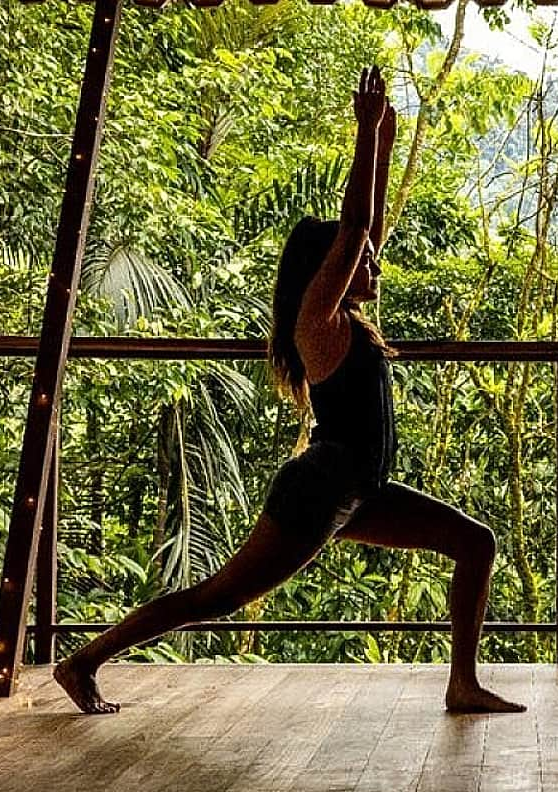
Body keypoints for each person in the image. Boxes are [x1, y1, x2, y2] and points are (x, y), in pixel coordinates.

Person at [54, 67, 525, 715]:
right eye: (360, 260)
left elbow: (367, 229)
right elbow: (357, 228)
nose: (374, 265)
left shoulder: (347, 319)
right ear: (326, 270)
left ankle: (462, 682)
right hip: (320, 493)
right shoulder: (318, 320)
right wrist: (364, 135)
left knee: (475, 541)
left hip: (361, 492)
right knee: (213, 599)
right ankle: (83, 661)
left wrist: (385, 147)